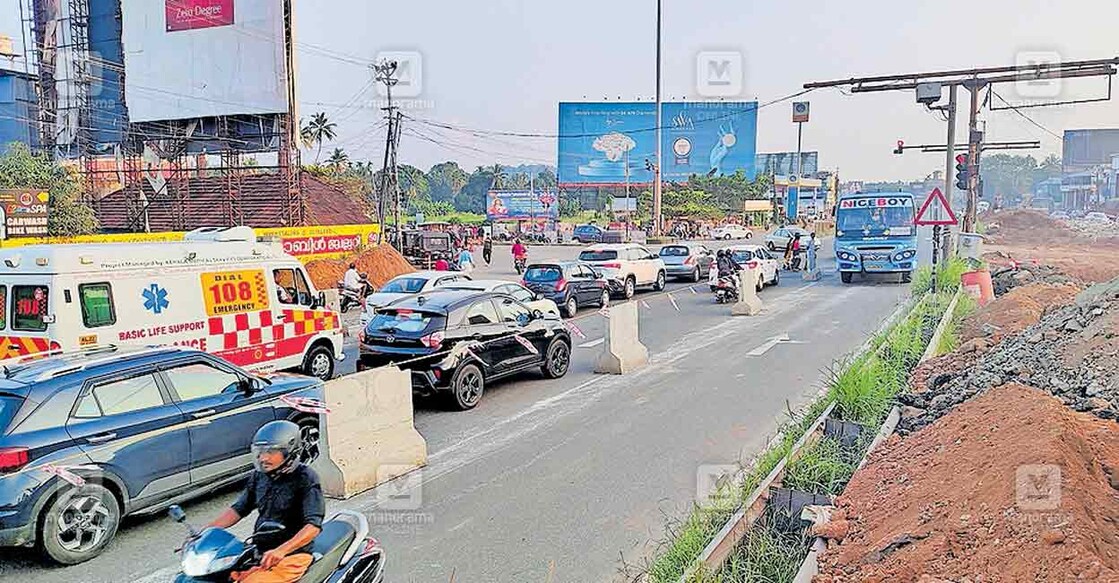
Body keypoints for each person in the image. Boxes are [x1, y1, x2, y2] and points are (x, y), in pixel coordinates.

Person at [205, 421, 324, 583]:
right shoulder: (259, 476)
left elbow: (313, 526)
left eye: (270, 452)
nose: (263, 458)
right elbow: (239, 509)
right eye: (260, 452)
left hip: (291, 556)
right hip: (260, 552)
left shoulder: (305, 477)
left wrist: (281, 550)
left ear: (289, 451)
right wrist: (205, 532)